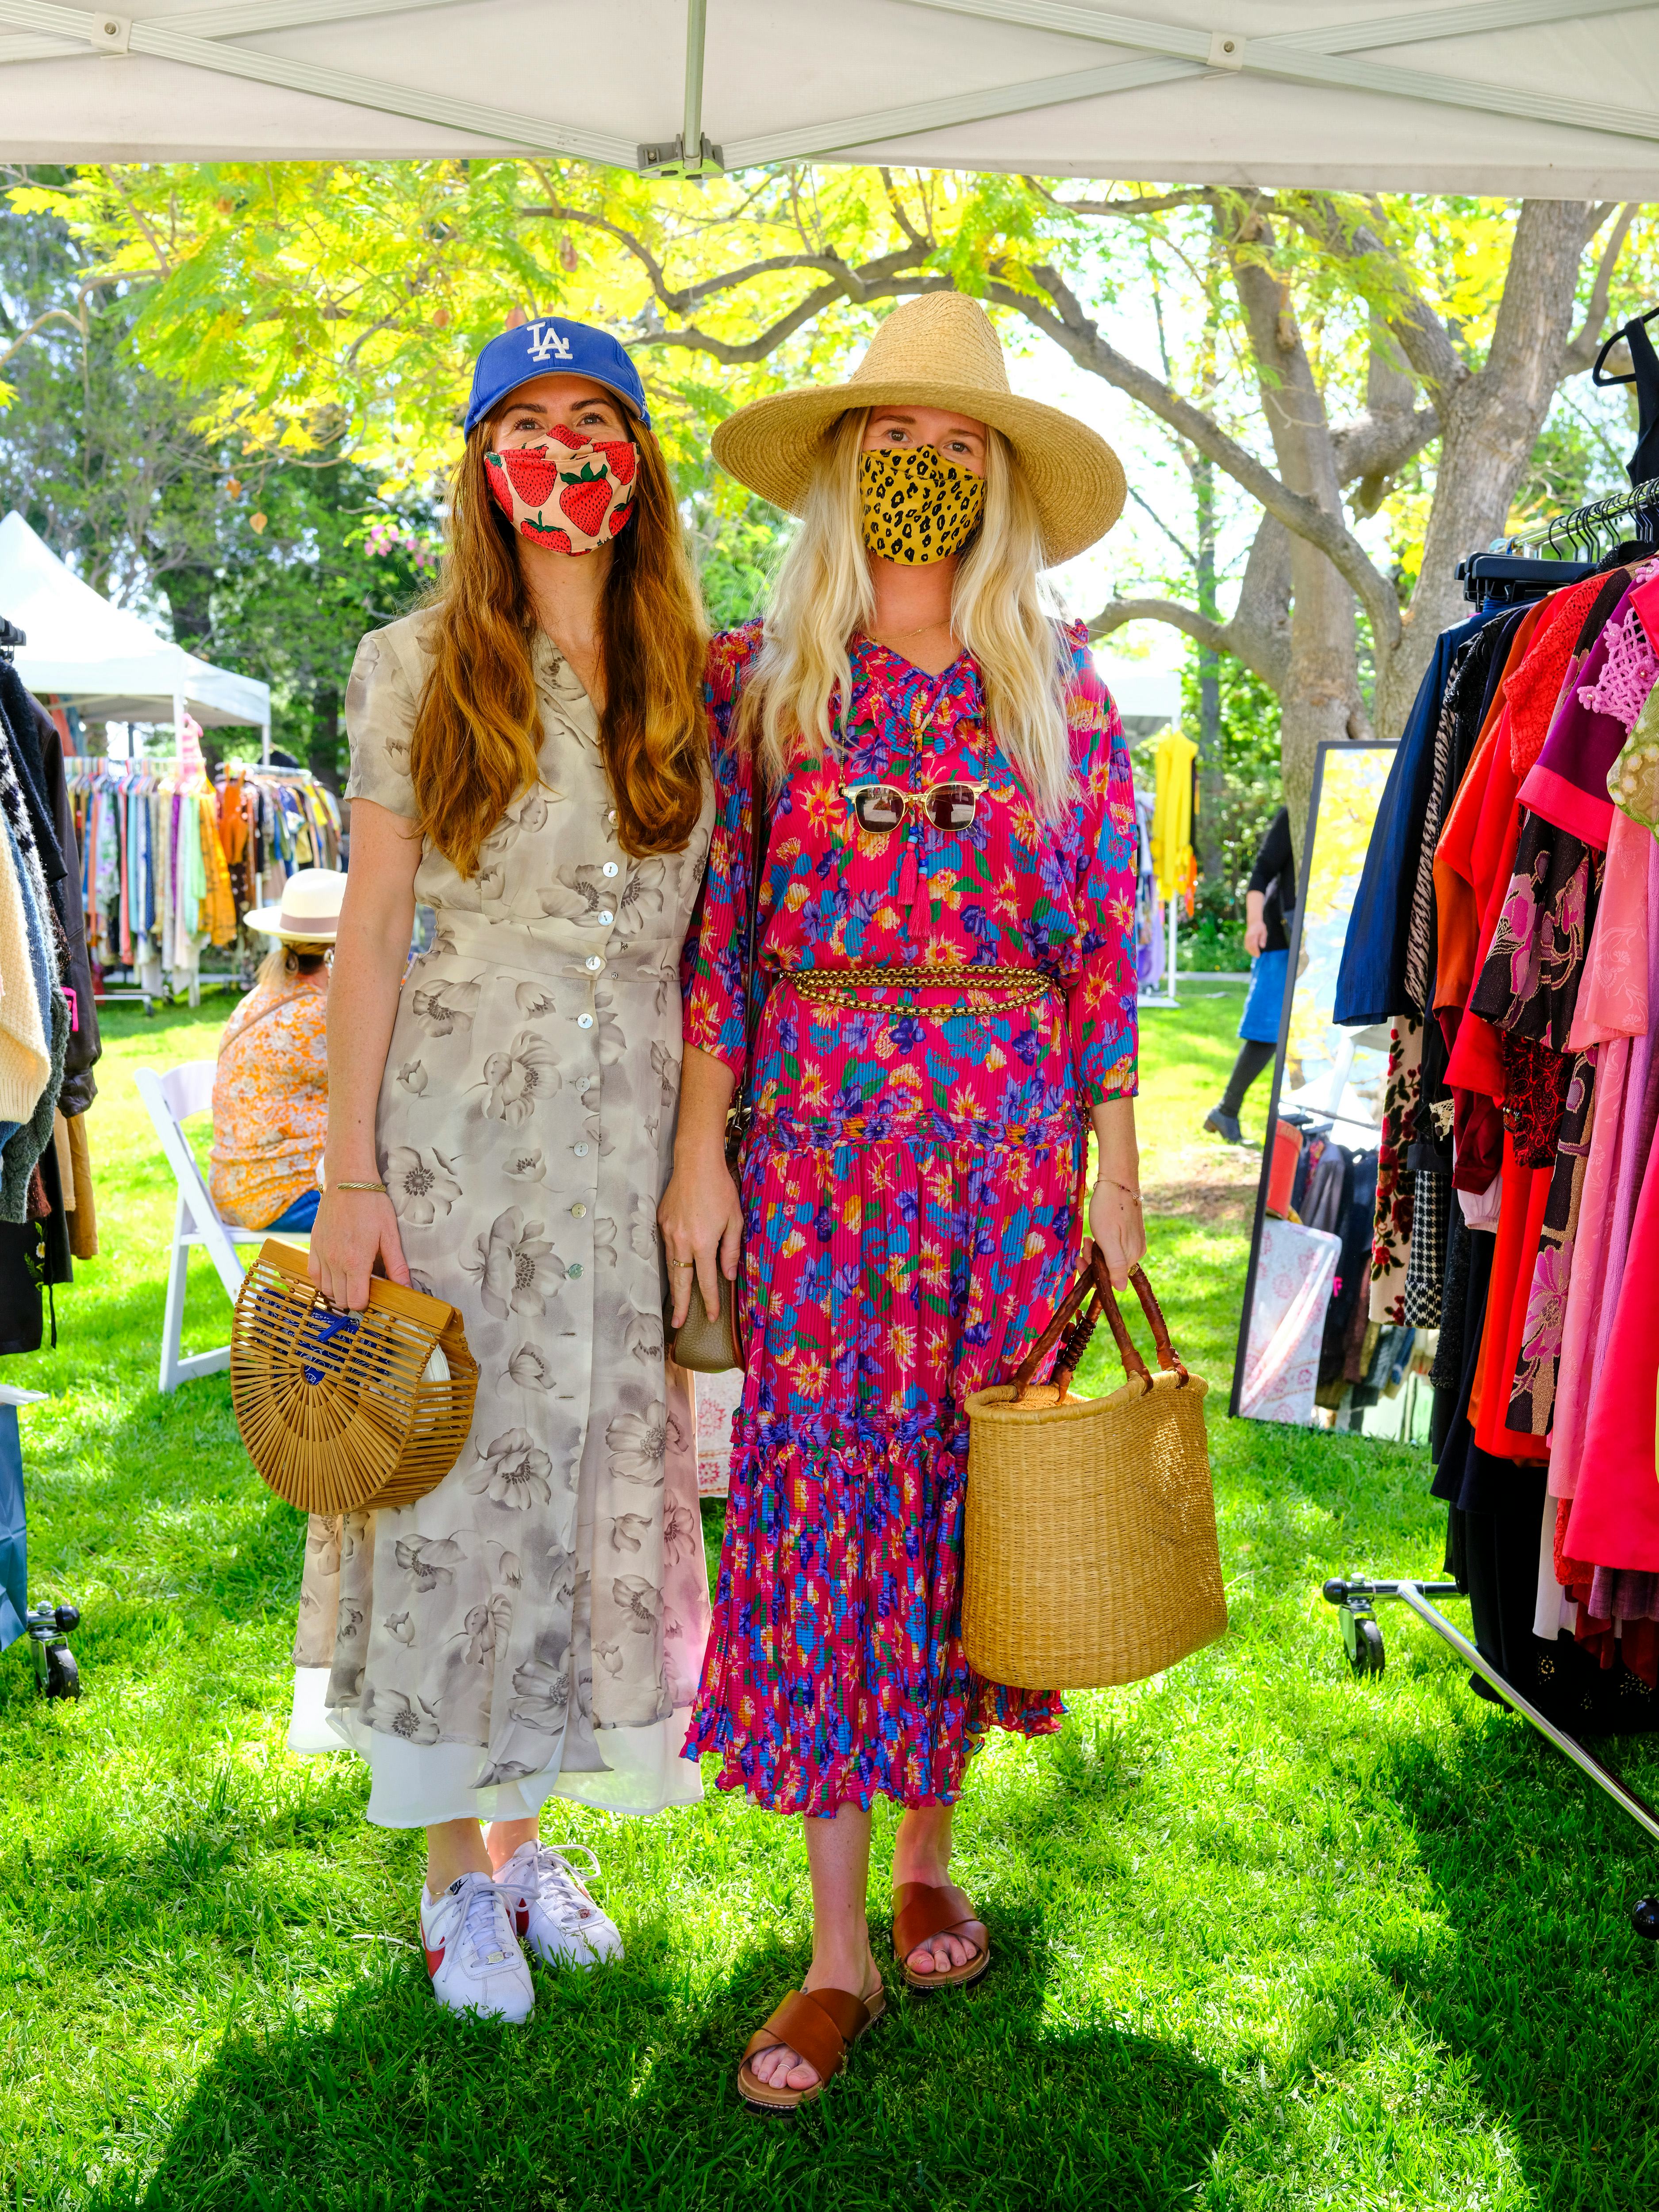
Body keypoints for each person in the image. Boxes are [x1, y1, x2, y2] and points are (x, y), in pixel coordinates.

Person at [659, 292, 1144, 2109]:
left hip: (1008, 1152)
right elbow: (725, 943)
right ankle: (836, 1943)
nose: (923, 473)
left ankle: (935, 1844)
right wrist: (701, 1148)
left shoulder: (1057, 679)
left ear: (996, 482)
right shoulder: (759, 679)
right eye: (894, 445)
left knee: (964, 1504)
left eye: (957, 449)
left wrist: (1111, 1183)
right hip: (823, 1160)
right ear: (844, 470)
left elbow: (1101, 947)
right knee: (829, 1508)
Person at [301, 314, 714, 2024]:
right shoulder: (413, 664)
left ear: (638, 457)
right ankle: (447, 1873)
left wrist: (698, 1158)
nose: (564, 451)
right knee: (455, 1480)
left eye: (593, 419)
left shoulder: (695, 669)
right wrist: (347, 1176)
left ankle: (528, 1838)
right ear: (481, 460)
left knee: (582, 1478)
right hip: (455, 1135)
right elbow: (375, 929)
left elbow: (711, 954)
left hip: (620, 1149)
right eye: (526, 423)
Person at [209, 868, 341, 1233]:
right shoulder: (316, 1013)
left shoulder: (270, 994)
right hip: (274, 1193)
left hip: (244, 1184)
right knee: (407, 1219)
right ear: (333, 955)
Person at [1205, 803, 1295, 1144]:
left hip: (1313, 934)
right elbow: (1261, 872)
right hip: (1278, 937)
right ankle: (1226, 1111)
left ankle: (1227, 1112)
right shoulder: (1295, 811)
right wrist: (1255, 923)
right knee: (1267, 1031)